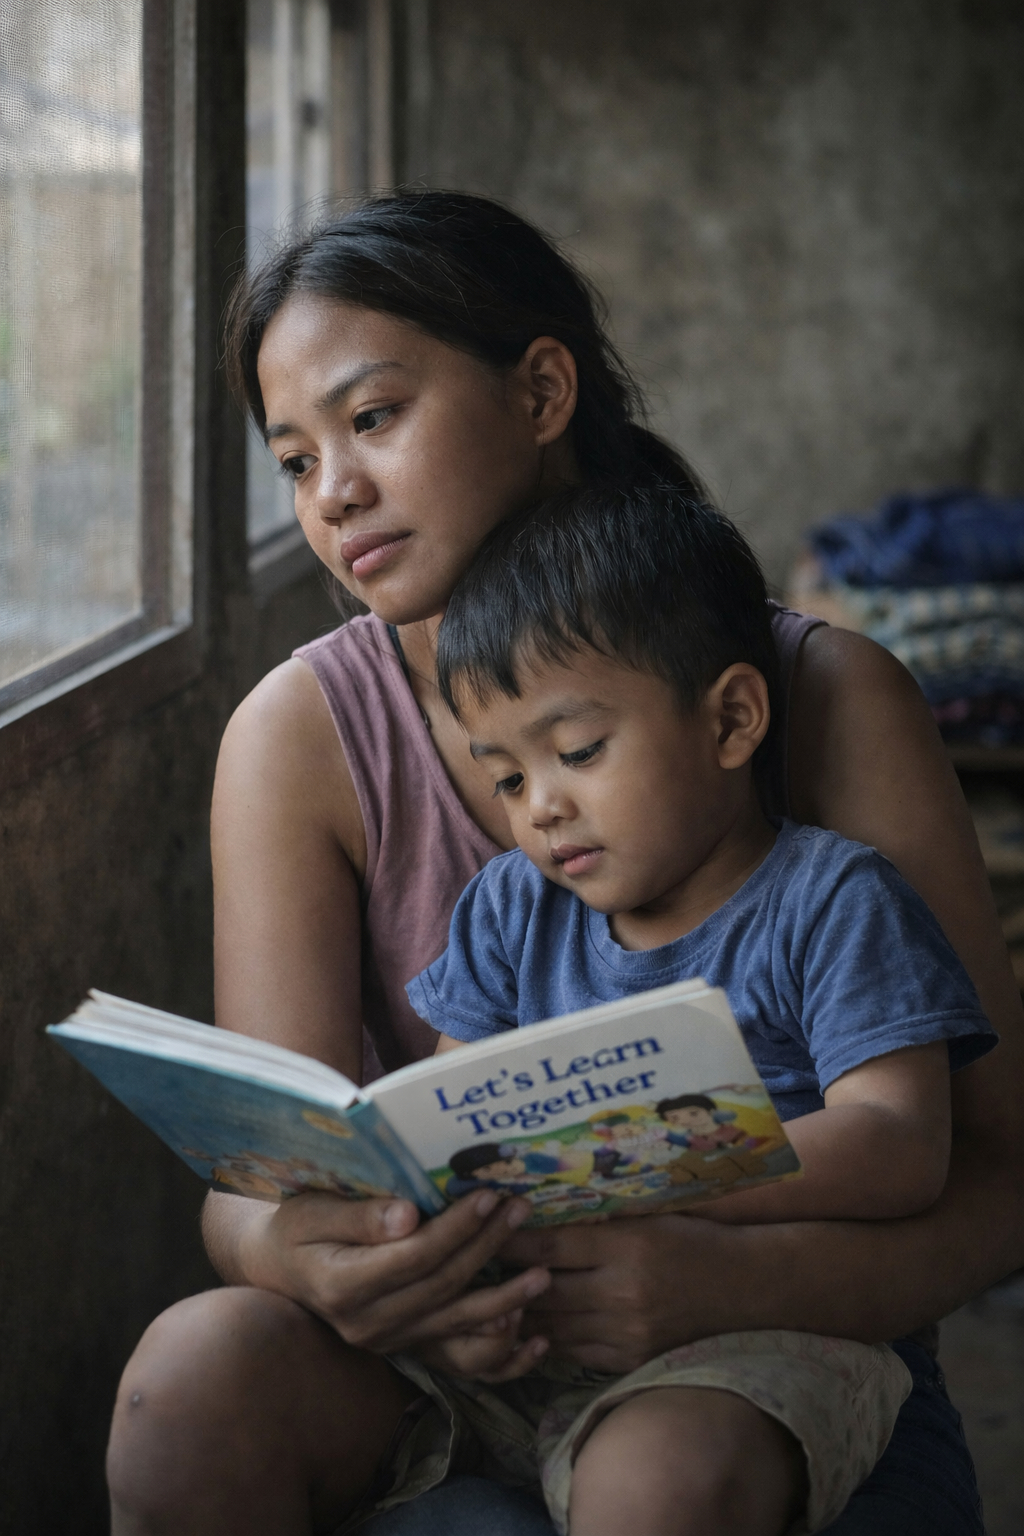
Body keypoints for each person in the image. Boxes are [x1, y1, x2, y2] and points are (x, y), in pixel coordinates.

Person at [105, 191, 1020, 1535]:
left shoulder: (820, 697)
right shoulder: (296, 738)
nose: (333, 492)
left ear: (541, 391)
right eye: (294, 460)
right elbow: (264, 1190)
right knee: (189, 1378)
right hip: (467, 1356)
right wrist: (307, 1258)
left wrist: (717, 1285)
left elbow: (996, 1173)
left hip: (771, 1356)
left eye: (373, 418)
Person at [392, 482, 995, 1535]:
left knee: (659, 1481)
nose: (542, 807)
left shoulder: (831, 902)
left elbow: (902, 1143)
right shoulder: (509, 909)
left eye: (578, 752)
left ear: (730, 720)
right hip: (532, 1327)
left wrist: (662, 1183)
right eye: (507, 779)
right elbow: (447, 1118)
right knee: (203, 1381)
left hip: (762, 1332)